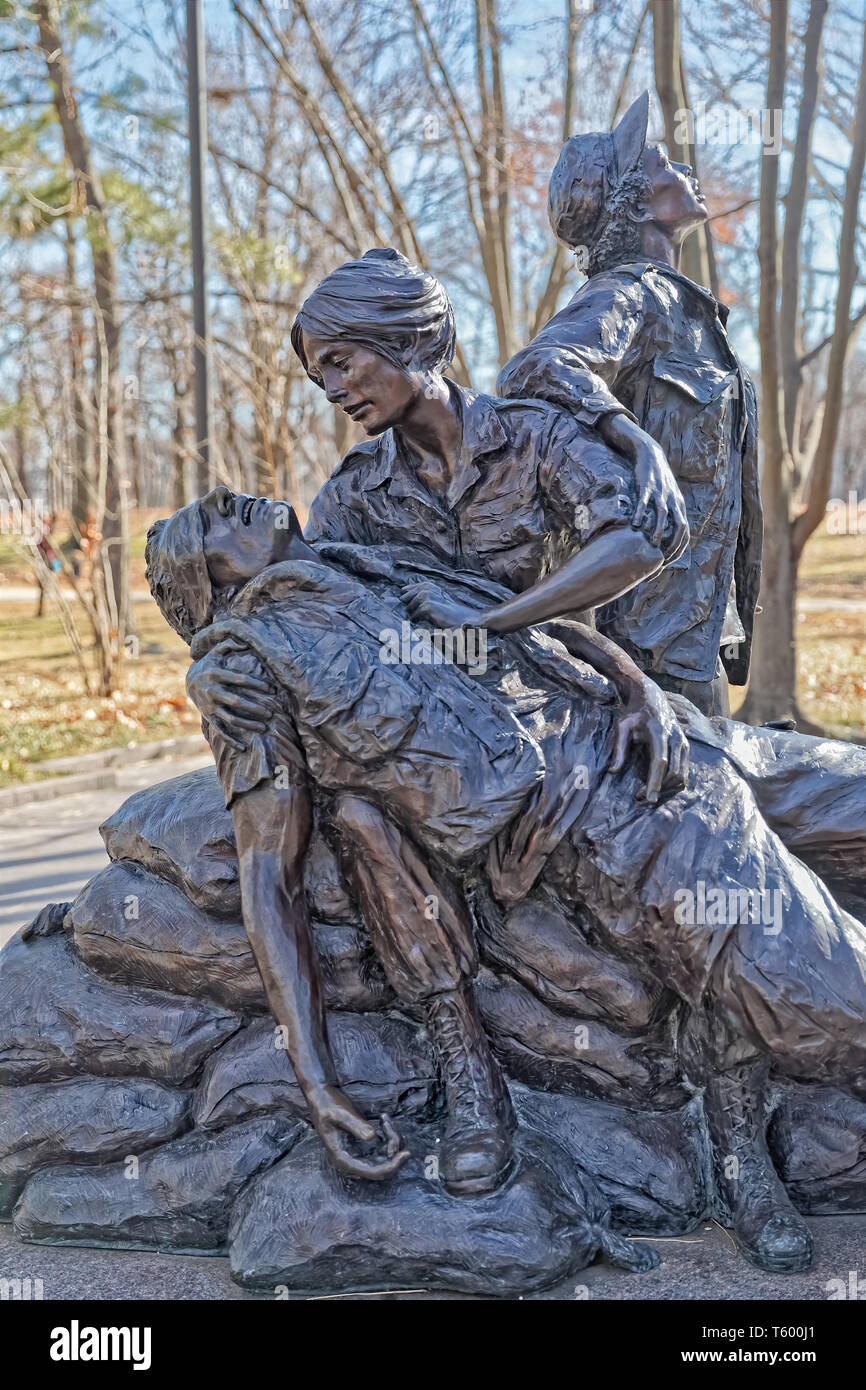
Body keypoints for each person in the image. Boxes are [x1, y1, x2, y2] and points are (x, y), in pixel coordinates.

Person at [150, 487, 866, 1276]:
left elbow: (539, 621)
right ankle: (739, 1160)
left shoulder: (369, 560)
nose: (227, 499)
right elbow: (269, 877)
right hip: (602, 813)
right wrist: (316, 1081)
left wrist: (637, 686)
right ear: (209, 587)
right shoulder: (244, 666)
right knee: (825, 994)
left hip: (677, 741)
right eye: (208, 523)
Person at [498, 92, 762, 716]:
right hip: (642, 653)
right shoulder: (631, 295)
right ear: (636, 200)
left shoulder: (691, 313)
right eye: (663, 162)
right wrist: (632, 438)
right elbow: (535, 367)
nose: (684, 170)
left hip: (694, 642)